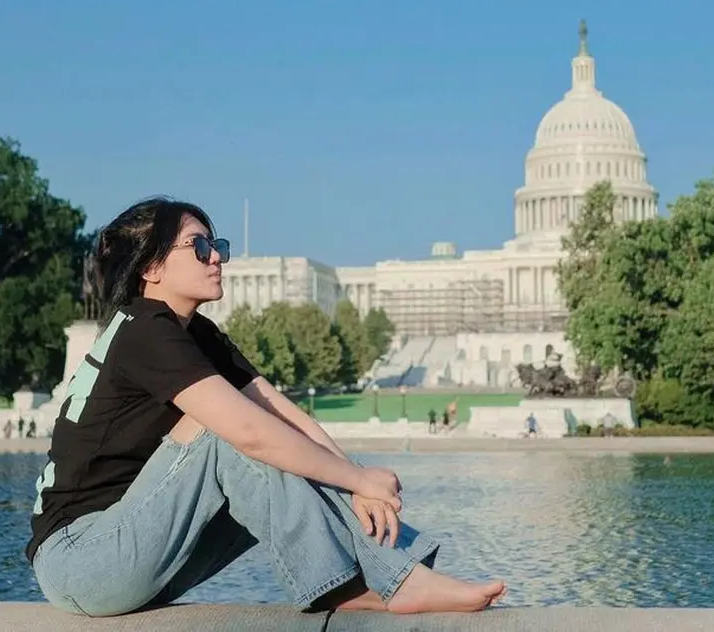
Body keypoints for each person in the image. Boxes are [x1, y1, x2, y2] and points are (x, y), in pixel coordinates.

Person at [26, 197, 505, 618]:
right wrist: (357, 479)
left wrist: (356, 480)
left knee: (275, 439)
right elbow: (248, 433)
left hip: (138, 549)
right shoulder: (145, 329)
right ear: (151, 268)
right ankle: (378, 584)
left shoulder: (196, 333)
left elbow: (283, 414)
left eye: (219, 246)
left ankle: (393, 573)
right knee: (227, 431)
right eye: (198, 246)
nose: (217, 257)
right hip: (83, 559)